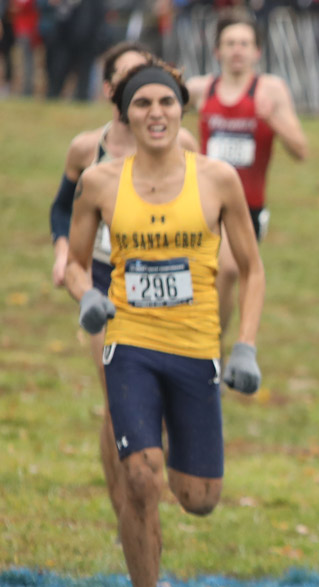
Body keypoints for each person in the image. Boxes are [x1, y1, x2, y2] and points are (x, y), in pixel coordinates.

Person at [65, 59, 264, 587]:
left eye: (166, 103)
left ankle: (165, 450)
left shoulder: (218, 179)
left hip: (196, 347)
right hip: (129, 345)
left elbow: (252, 269)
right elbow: (75, 263)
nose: (155, 113)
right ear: (124, 112)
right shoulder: (101, 182)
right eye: (142, 104)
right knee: (140, 477)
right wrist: (88, 296)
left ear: (183, 110)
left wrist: (246, 345)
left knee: (199, 499)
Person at [51, 44, 201, 545]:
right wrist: (61, 254)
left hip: (164, 280)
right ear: (112, 90)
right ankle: (128, 507)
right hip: (103, 278)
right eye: (128, 78)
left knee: (153, 401)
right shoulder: (85, 148)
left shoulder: (183, 144)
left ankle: (149, 483)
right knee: (118, 397)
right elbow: (61, 208)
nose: (145, 90)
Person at [188, 8, 308, 341]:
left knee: (228, 271)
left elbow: (301, 150)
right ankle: (208, 346)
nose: (237, 50)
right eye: (230, 43)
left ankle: (212, 344)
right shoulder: (201, 89)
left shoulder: (270, 90)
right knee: (218, 272)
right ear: (218, 51)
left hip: (246, 207)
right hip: (204, 205)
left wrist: (273, 120)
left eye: (244, 43)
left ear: (257, 51)